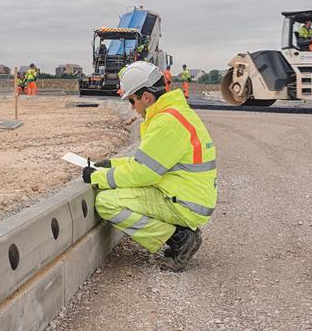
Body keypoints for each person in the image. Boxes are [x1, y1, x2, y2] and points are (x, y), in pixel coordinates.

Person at [82, 61, 216, 272]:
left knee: (107, 202)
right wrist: (110, 165)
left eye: (132, 101)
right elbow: (146, 161)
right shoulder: (174, 113)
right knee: (121, 188)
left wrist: (99, 178)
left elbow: (144, 173)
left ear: (146, 97)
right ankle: (179, 235)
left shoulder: (166, 123)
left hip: (185, 202)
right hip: (186, 194)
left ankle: (179, 239)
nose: (132, 107)